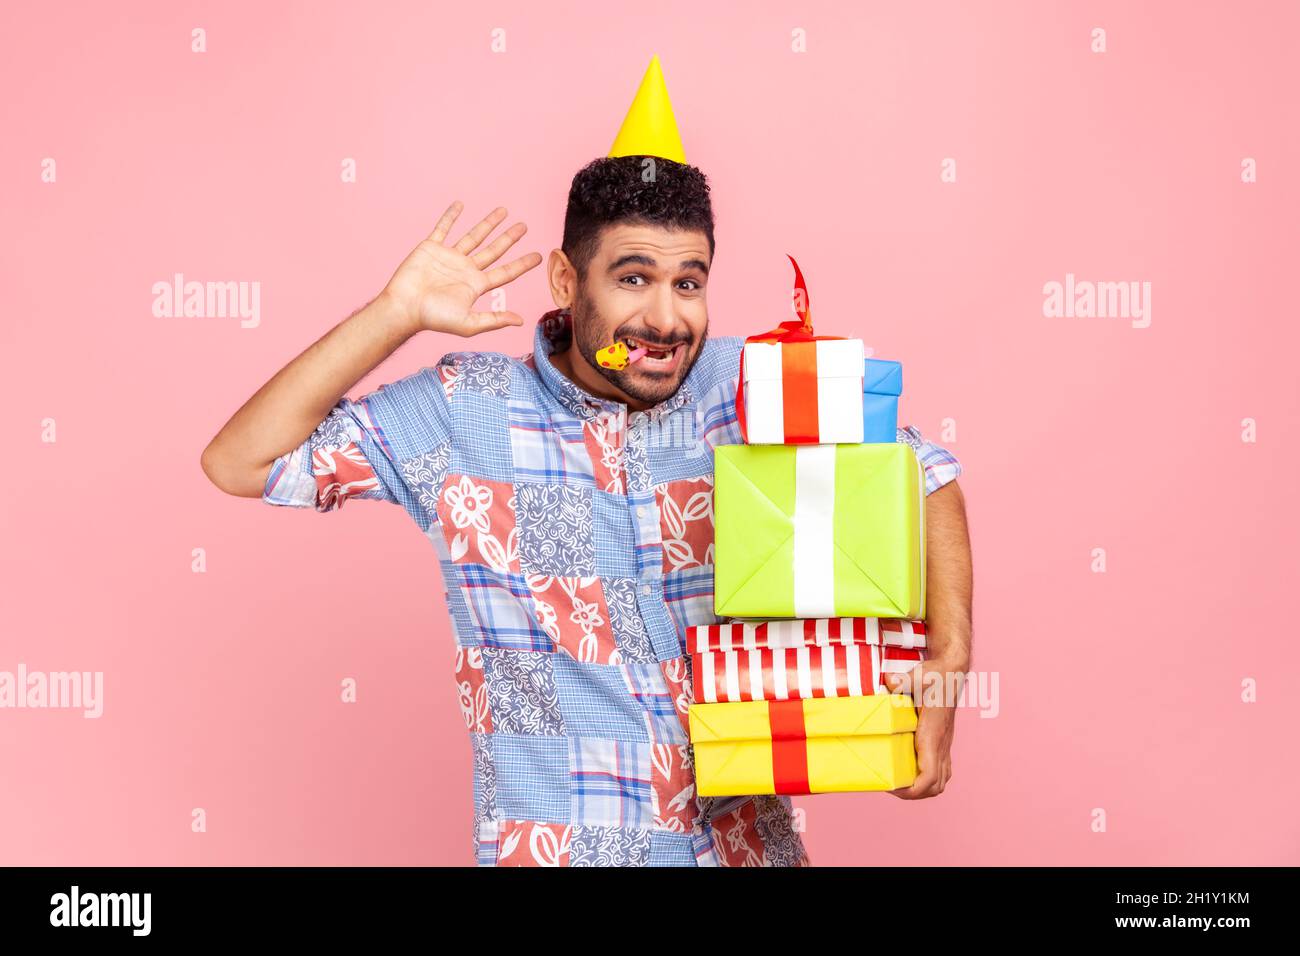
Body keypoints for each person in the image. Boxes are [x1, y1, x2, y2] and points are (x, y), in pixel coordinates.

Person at [201, 59, 972, 867]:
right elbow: (242, 459)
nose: (667, 318)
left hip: (750, 849)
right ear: (568, 280)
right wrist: (396, 315)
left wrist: (946, 667)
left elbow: (923, 469)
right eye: (633, 277)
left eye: (689, 281)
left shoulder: (753, 385)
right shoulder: (463, 412)